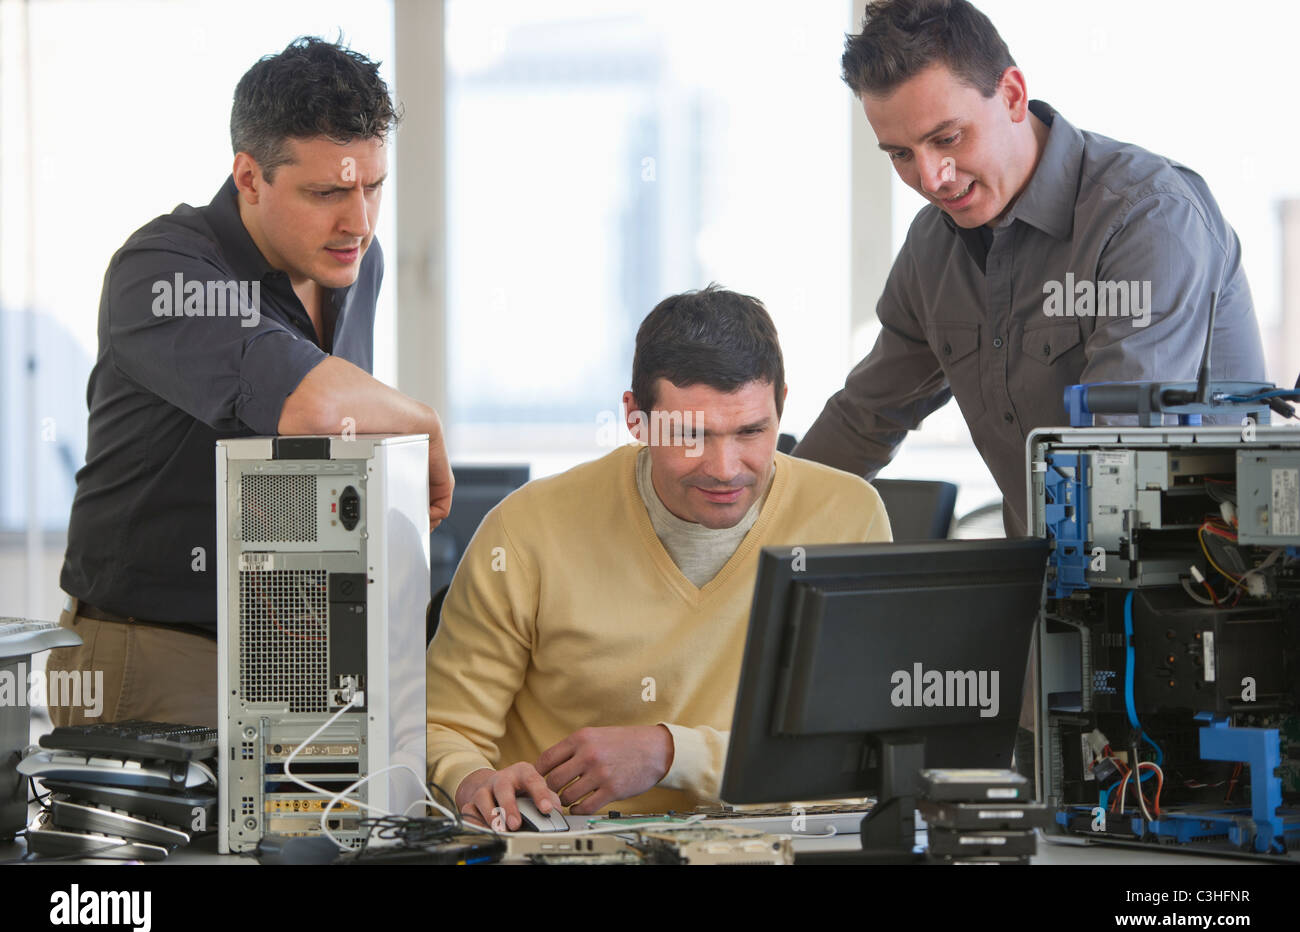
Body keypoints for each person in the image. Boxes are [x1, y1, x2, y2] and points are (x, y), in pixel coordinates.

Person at [50, 37, 453, 728]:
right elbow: (314, 405)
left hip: (295, 650)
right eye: (326, 192)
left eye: (373, 186)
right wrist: (425, 424)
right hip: (153, 651)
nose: (357, 221)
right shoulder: (163, 273)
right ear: (249, 178)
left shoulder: (356, 262)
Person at [425, 286, 891, 829]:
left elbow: (866, 742)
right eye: (690, 434)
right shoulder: (526, 529)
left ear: (781, 404)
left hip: (778, 839)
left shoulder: (849, 513)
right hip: (574, 844)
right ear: (635, 417)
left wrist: (671, 755)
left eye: (751, 431)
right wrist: (473, 780)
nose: (724, 467)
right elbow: (444, 728)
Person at [794, 0, 1266, 536]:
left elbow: (1115, 457)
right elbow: (863, 421)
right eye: (900, 154)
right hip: (1051, 603)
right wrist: (744, 537)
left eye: (947, 138)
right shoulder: (933, 250)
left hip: (1200, 596)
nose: (931, 178)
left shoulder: (1149, 218)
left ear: (1013, 95)